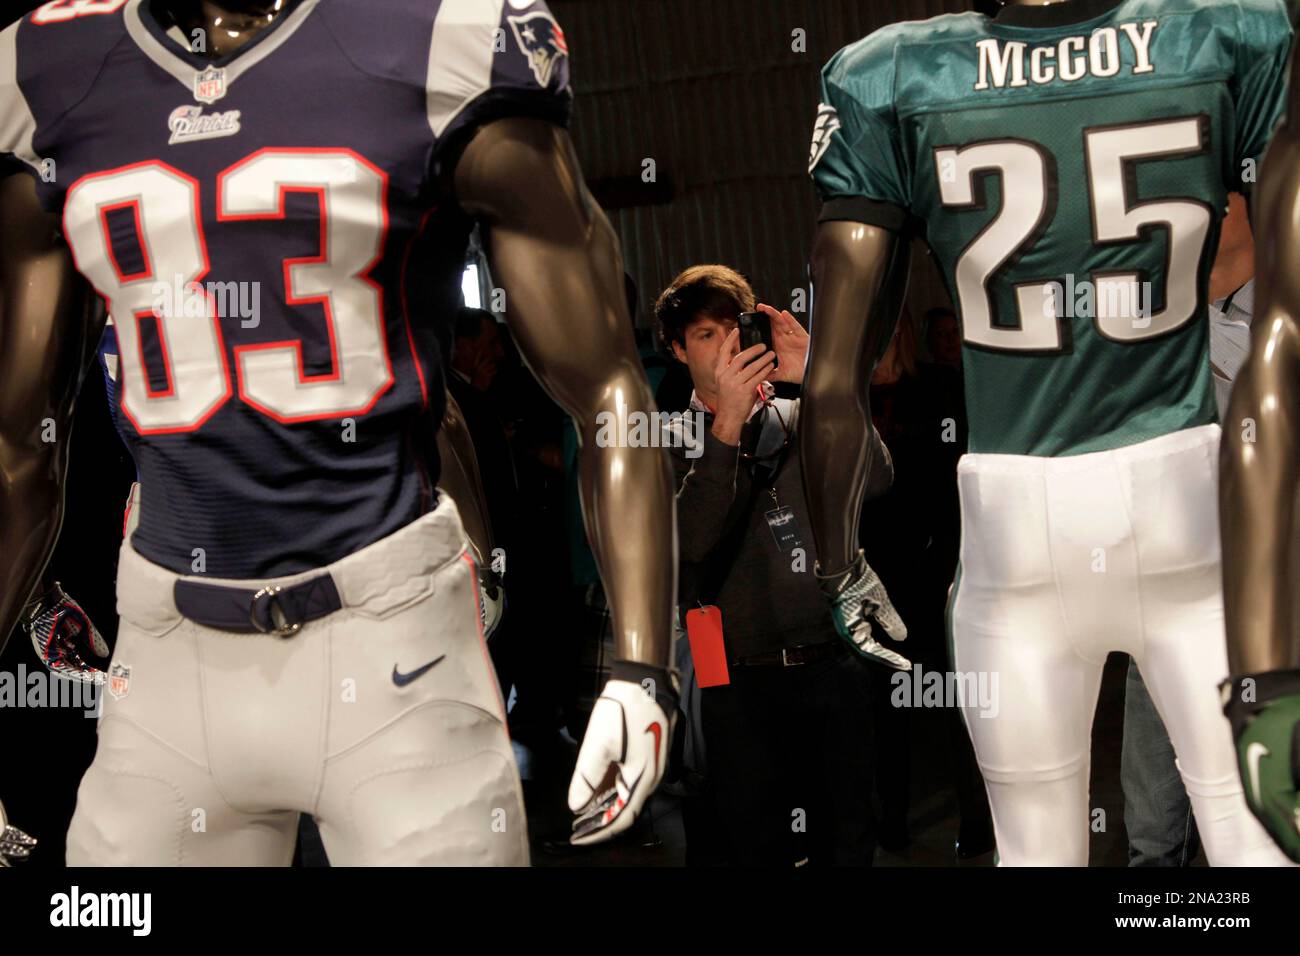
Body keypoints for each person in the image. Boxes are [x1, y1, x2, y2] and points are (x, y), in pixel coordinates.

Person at [0, 0, 679, 864]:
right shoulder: (48, 68)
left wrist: (641, 663)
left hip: (391, 641)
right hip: (163, 659)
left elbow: (610, 388)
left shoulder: (437, 40)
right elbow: (20, 445)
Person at [799, 0, 1296, 865]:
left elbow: (833, 388)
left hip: (1014, 533)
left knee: (1034, 853)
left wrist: (840, 565)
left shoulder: (888, 75)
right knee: (1259, 849)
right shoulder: (1225, 32)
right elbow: (1279, 351)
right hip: (1189, 511)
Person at [654, 264, 894, 866]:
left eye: (731, 328)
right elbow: (684, 545)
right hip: (735, 676)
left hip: (832, 663)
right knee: (750, 844)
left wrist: (823, 383)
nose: (724, 345)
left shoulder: (802, 414)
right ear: (679, 350)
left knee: (847, 837)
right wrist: (726, 428)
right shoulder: (660, 437)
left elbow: (880, 479)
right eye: (704, 335)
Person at [1121, 191, 1257, 866]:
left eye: (1219, 188)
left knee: (1264, 819)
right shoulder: (1148, 326)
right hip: (1166, 602)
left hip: (1267, 607)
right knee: (1152, 830)